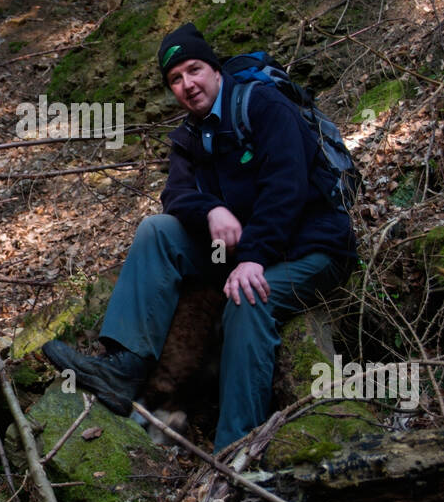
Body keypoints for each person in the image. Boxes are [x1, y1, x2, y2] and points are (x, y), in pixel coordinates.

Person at [43, 24, 357, 450]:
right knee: (158, 230)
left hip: (313, 247)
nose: (187, 85)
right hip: (247, 249)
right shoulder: (191, 134)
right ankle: (124, 368)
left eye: (194, 70)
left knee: (248, 300)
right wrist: (212, 209)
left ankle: (235, 449)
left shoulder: (262, 105)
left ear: (215, 69)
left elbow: (287, 187)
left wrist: (253, 259)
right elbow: (175, 194)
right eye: (175, 79)